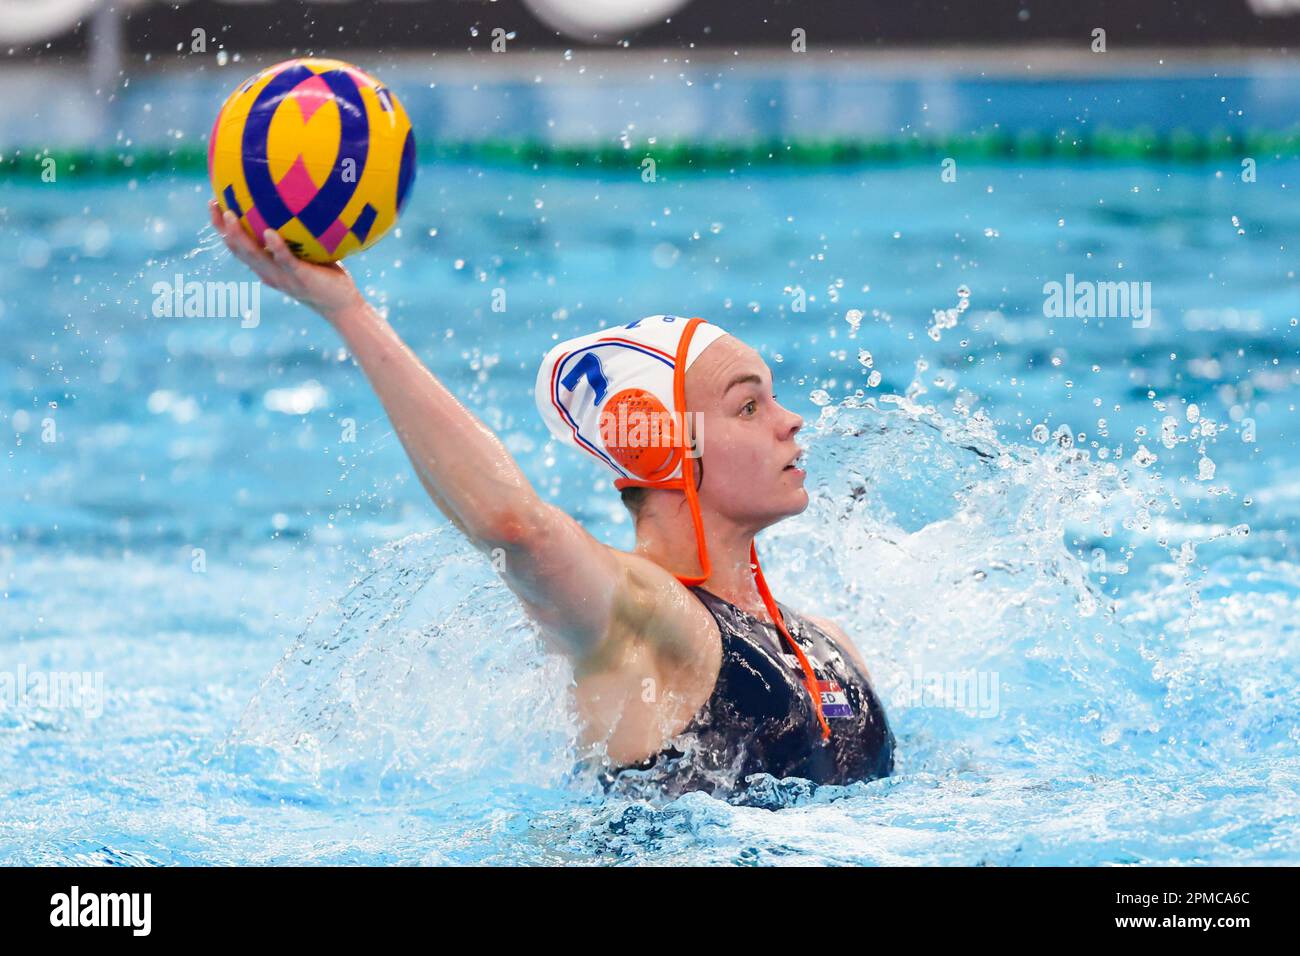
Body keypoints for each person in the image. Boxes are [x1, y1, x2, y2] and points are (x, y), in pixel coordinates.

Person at [210, 201, 895, 796]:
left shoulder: (829, 643)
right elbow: (517, 528)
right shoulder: (642, 623)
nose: (790, 420)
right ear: (660, 446)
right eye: (748, 406)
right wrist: (348, 310)